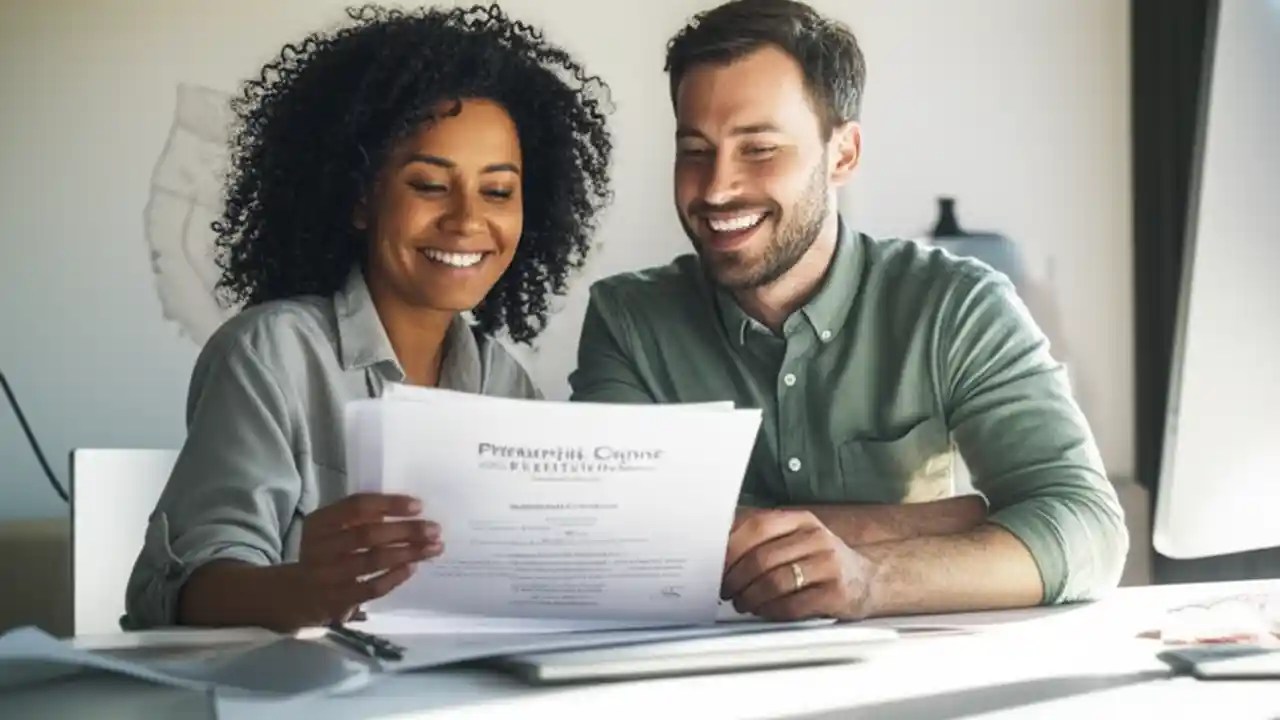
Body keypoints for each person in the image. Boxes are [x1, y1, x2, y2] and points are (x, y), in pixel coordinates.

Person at [569, 0, 1127, 621]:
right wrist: (934, 522)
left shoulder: (957, 305)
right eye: (695, 150)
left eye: (759, 149)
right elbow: (605, 537)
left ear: (843, 155)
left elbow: (1089, 529)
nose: (717, 187)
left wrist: (870, 579)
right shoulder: (628, 320)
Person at [124, 4, 613, 631]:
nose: (467, 220)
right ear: (360, 198)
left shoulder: (508, 388)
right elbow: (187, 589)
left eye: (497, 191)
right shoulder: (270, 356)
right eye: (429, 185)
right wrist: (303, 589)